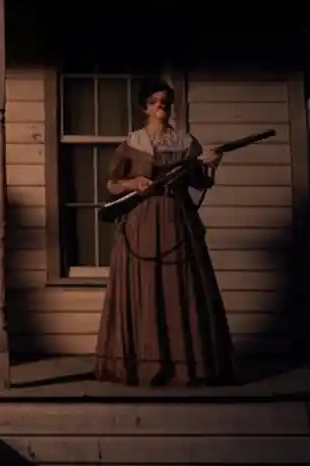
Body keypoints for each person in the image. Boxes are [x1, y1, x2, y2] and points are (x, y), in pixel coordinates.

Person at [93, 78, 236, 387]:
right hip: (141, 222)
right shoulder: (132, 143)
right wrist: (135, 184)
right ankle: (142, 365)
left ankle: (184, 366)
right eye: (156, 101)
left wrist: (212, 164)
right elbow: (112, 184)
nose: (161, 106)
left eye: (166, 101)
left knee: (178, 289)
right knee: (144, 288)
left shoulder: (185, 142)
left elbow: (201, 182)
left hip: (176, 221)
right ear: (145, 106)